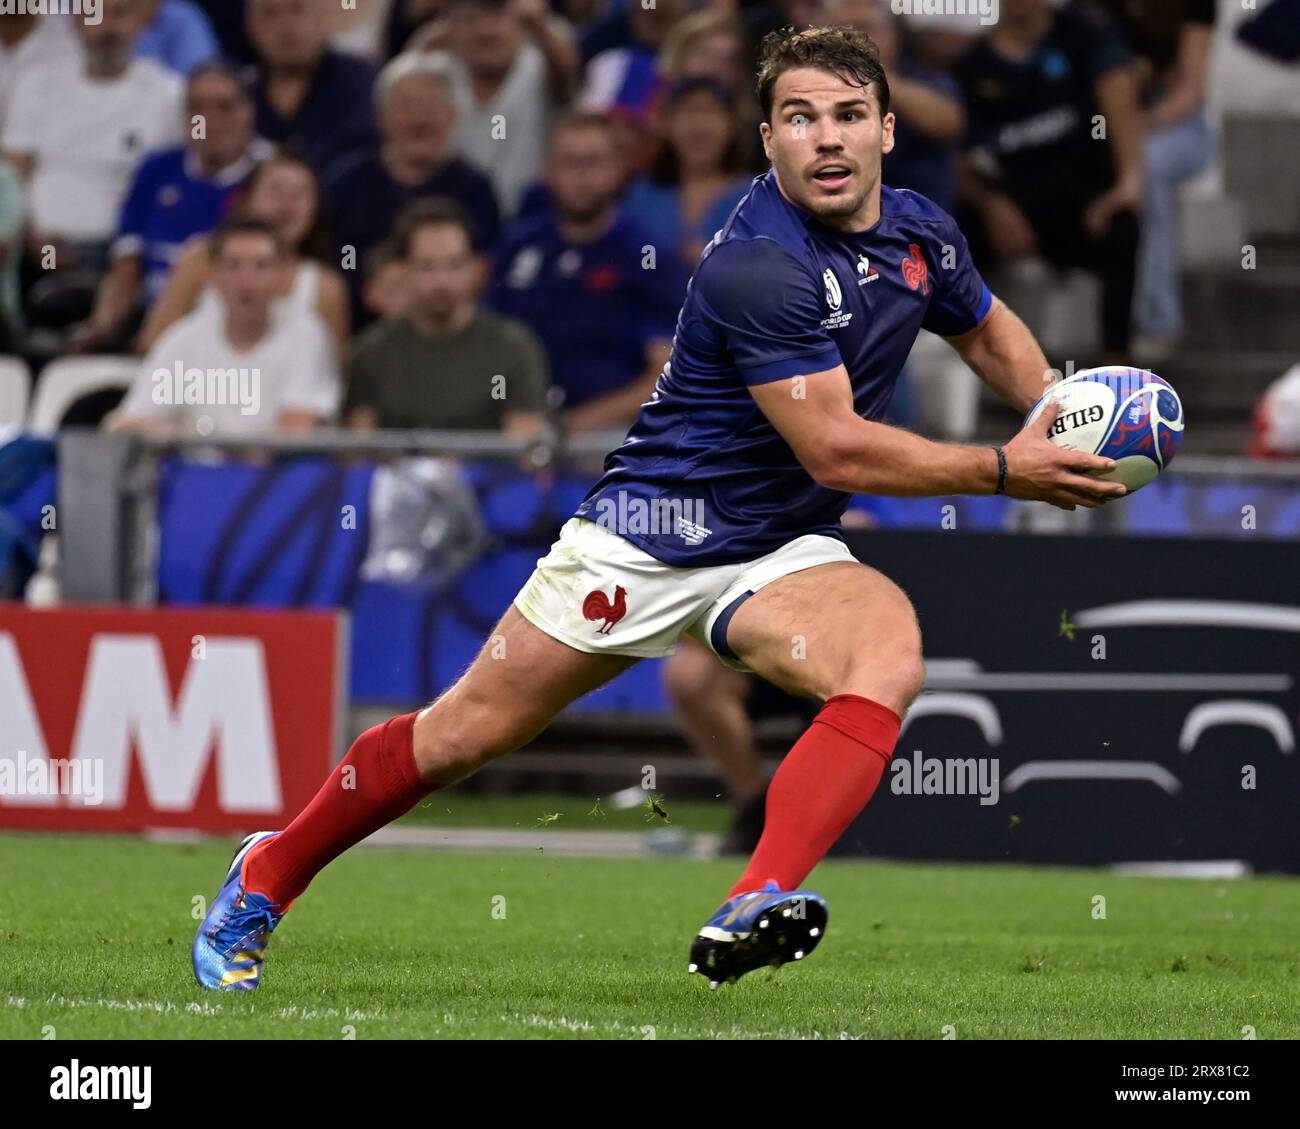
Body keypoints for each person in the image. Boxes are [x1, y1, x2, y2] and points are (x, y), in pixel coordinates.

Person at [192, 24, 1126, 994]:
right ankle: (270, 869)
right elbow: (836, 446)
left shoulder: (922, 229)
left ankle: (753, 897)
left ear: (888, 130)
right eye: (799, 119)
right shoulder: (756, 263)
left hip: (777, 545)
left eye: (849, 116)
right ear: (765, 140)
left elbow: (981, 325)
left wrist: (1059, 408)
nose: (828, 139)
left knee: (887, 654)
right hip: (646, 536)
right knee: (461, 736)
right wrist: (1005, 469)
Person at [953, 0, 1143, 365]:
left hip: (1085, 201)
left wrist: (1128, 182)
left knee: (1123, 229)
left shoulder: (1083, 34)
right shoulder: (973, 64)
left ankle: (1117, 365)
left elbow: (1120, 96)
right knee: (951, 238)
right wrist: (993, 206)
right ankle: (984, 363)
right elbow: (957, 155)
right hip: (1013, 206)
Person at [488, 112, 686, 432]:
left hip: (614, 437)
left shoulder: (648, 255)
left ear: (620, 170)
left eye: (594, 162)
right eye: (569, 162)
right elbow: (484, 343)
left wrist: (571, 427)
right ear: (549, 172)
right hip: (517, 429)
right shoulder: (517, 247)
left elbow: (665, 375)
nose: (581, 176)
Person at [74, 62, 270, 354]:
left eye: (224, 106)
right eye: (197, 107)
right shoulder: (157, 170)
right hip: (150, 315)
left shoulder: (267, 174)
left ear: (248, 113)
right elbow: (127, 258)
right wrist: (106, 323)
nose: (209, 120)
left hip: (228, 321)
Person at [110, 215, 340, 436]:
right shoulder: (183, 340)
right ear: (212, 273)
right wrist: (186, 435)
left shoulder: (306, 336)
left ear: (281, 275)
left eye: (261, 266)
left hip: (276, 474)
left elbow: (297, 431)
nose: (246, 279)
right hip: (198, 472)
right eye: (233, 265)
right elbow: (122, 424)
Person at [2, 0, 184, 275]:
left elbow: (177, 178)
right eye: (95, 14)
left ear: (141, 21)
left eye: (119, 14)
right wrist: (33, 239)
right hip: (42, 250)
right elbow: (13, 176)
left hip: (127, 256)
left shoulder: (170, 93)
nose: (106, 27)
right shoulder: (37, 86)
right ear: (75, 21)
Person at [324, 52, 500, 326]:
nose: (419, 119)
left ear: (452, 116)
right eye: (406, 106)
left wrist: (428, 291)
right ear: (381, 118)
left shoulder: (474, 188)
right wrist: (361, 285)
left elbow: (485, 266)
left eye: (430, 106)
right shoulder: (348, 183)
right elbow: (336, 256)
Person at [344, 200, 549, 434]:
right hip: (395, 469)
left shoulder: (513, 347)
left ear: (475, 268)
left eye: (454, 265)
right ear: (404, 270)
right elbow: (358, 453)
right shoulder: (372, 352)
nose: (442, 282)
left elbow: (523, 451)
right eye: (427, 266)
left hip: (489, 471)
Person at [1089, 0, 1216, 360]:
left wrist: (1133, 129)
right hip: (1105, 119)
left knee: (1147, 168)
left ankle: (1157, 319)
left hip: (1171, 124)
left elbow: (1189, 91)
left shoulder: (1195, 7)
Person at [139, 151, 351, 358]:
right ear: (247, 200)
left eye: (299, 194)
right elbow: (155, 344)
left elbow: (332, 375)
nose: (286, 204)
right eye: (276, 191)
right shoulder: (199, 260)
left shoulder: (326, 288)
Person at [416, 0, 580, 217]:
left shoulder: (541, 67)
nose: (486, 31)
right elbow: (405, 81)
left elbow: (569, 77)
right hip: (455, 221)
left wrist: (538, 23)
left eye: (498, 18)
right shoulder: (442, 70)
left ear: (522, 25)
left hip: (531, 216)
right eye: (473, 20)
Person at [624, 78, 754, 272]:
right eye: (687, 112)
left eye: (710, 112)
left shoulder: (755, 196)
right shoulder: (643, 194)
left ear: (733, 126)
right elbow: (632, 261)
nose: (699, 124)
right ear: (667, 126)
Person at [245, 0, 380, 175]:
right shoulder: (238, 95)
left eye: (297, 9)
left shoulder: (364, 83)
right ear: (251, 28)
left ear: (324, 17)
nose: (285, 26)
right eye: (270, 14)